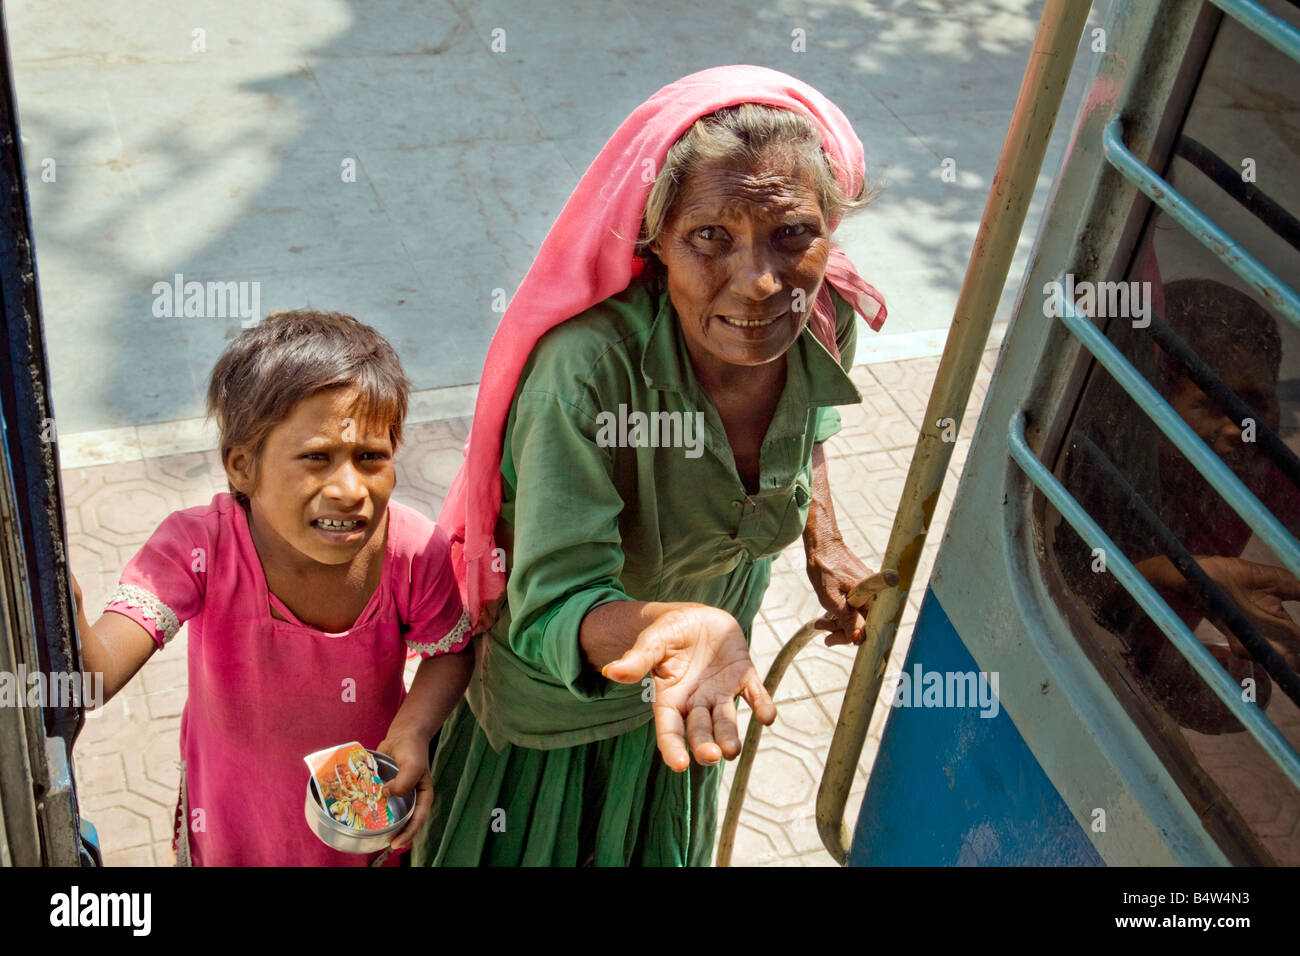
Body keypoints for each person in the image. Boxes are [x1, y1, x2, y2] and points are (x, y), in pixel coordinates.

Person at [415, 66, 888, 866]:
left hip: (692, 696)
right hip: (558, 726)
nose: (762, 283)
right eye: (710, 237)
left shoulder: (821, 317)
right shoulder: (588, 373)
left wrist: (822, 535)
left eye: (793, 234)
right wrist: (677, 631)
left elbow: (803, 425)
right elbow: (552, 601)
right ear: (656, 241)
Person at [72, 310, 474, 865]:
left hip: (354, 814)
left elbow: (450, 653)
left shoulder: (412, 552)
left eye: (370, 457)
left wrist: (412, 731)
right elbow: (94, 676)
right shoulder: (199, 549)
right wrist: (57, 601)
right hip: (233, 810)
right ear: (243, 466)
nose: (350, 489)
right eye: (316, 458)